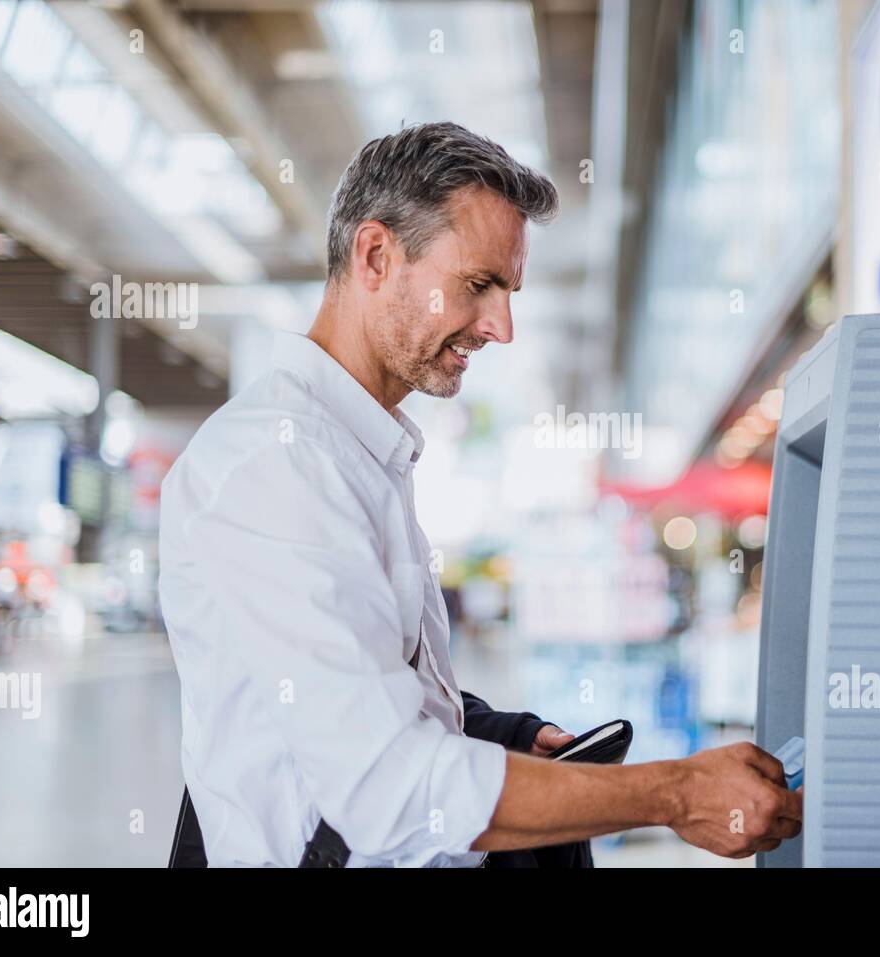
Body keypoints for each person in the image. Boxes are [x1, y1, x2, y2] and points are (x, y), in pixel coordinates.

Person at [159, 122, 801, 867]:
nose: (502, 326)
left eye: (509, 290)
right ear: (375, 256)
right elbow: (388, 789)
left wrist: (504, 733)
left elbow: (348, 690)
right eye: (477, 285)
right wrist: (675, 791)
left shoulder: (361, 454)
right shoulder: (274, 467)